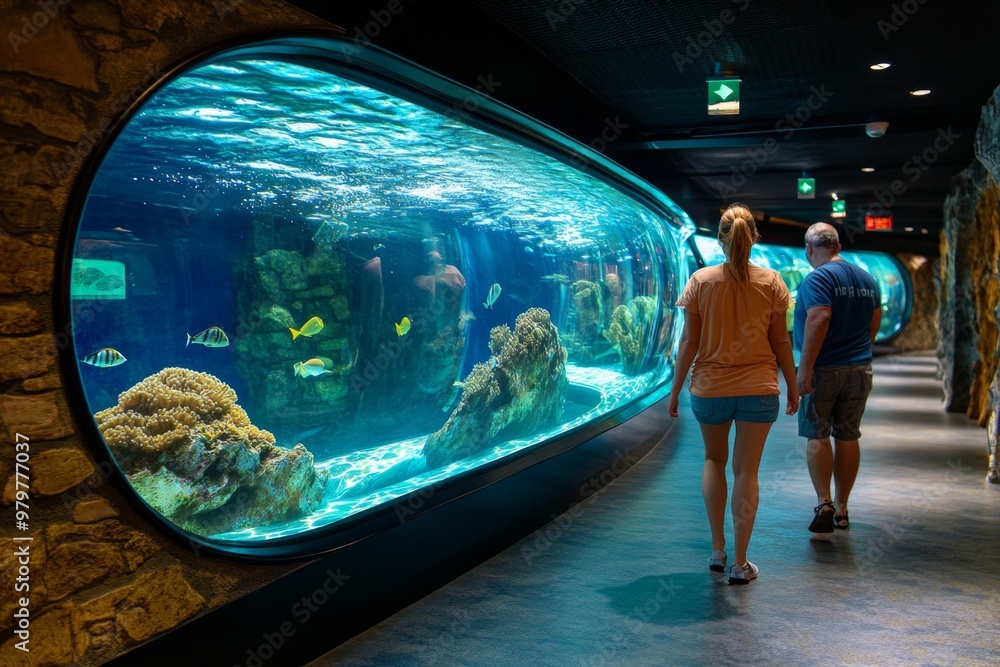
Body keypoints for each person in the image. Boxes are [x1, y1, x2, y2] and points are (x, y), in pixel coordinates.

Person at [669, 203, 799, 585]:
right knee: (747, 471)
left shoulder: (701, 281)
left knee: (713, 460)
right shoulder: (772, 282)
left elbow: (689, 342)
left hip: (709, 389)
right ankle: (741, 563)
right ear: (752, 237)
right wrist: (792, 385)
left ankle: (717, 550)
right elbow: (781, 341)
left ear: (722, 237)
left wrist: (675, 391)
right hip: (759, 388)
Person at [794, 223, 881, 534]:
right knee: (848, 435)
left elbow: (820, 316)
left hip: (825, 368)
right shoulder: (867, 278)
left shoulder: (819, 278)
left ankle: (824, 502)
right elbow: (874, 322)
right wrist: (860, 350)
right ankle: (843, 509)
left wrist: (805, 367)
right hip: (859, 367)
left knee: (817, 433)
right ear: (838, 246)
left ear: (809, 249)